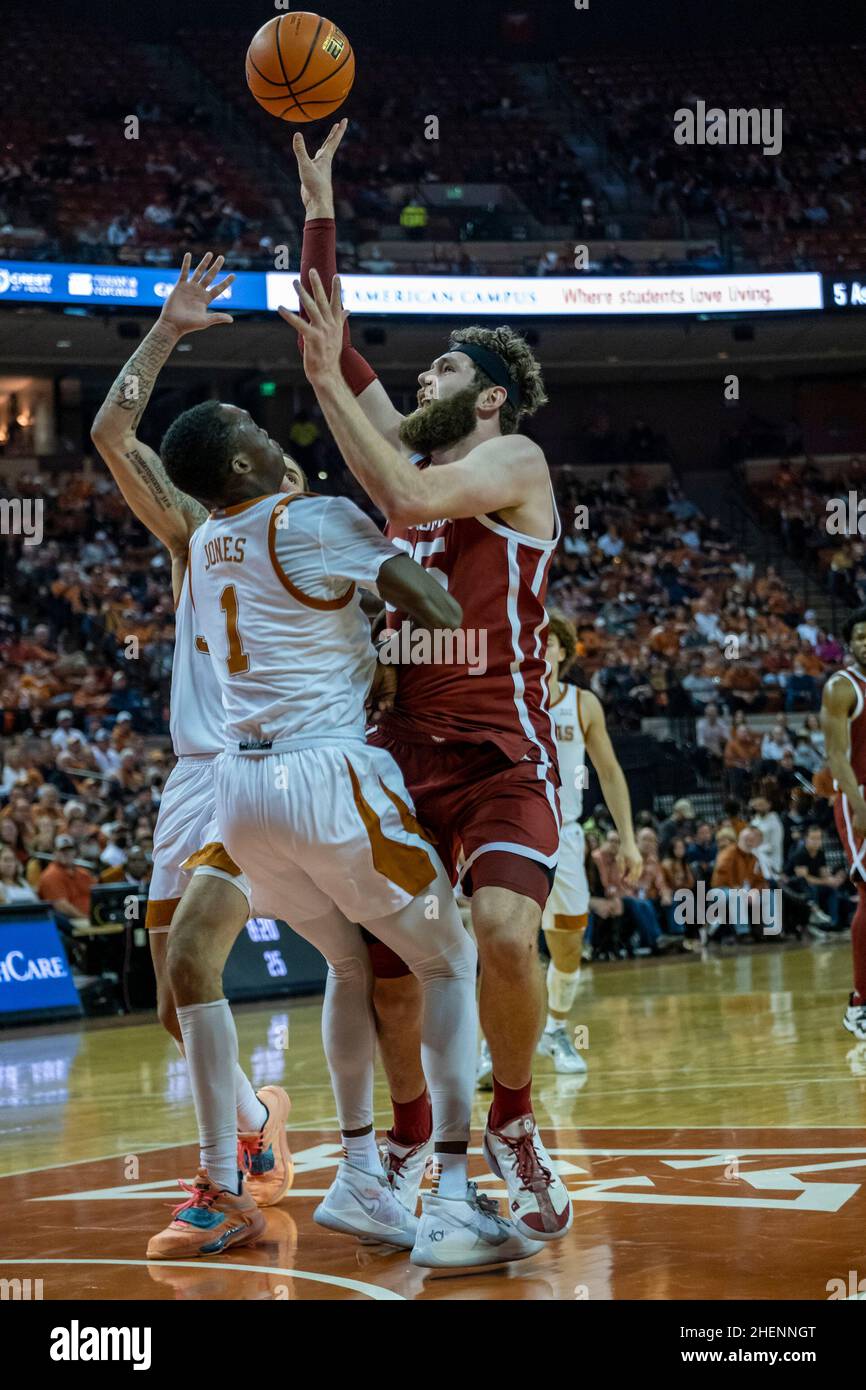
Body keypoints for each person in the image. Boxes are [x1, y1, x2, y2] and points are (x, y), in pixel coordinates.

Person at [161, 382, 539, 1271]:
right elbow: (437, 607)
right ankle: (451, 1192)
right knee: (449, 958)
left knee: (347, 961)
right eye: (255, 426)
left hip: (241, 792)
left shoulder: (209, 540)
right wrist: (401, 597)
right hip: (323, 772)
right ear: (246, 464)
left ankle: (362, 1172)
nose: (272, 431)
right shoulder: (316, 517)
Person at [282, 119, 573, 1241]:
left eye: (445, 366)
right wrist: (319, 202)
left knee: (502, 931)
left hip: (498, 749)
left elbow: (401, 492)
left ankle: (509, 1118)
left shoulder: (512, 464)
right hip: (395, 749)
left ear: (490, 396)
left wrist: (340, 397)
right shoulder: (407, 454)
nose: (423, 375)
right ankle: (404, 1141)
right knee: (388, 964)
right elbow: (330, 330)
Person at [91, 252, 296, 1257]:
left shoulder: (317, 545)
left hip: (269, 774)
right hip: (191, 781)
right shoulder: (194, 535)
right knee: (175, 1002)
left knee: (204, 960)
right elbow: (109, 433)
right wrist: (168, 329)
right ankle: (260, 1119)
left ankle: (226, 1185)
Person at [534, 612, 640, 1074]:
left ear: (562, 651)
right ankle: (491, 1048)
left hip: (567, 833)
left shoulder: (583, 704)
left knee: (568, 945)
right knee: (506, 944)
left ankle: (555, 1028)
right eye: (532, 641)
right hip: (514, 834)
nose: (540, 649)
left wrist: (630, 842)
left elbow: (610, 772)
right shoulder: (506, 699)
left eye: (549, 642)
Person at [820, 608, 866, 1039]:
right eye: (859, 636)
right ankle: (859, 1004)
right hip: (858, 796)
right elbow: (836, 757)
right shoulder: (841, 688)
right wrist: (858, 805)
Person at [37, 834, 94, 933]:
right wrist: (86, 918)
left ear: (75, 852)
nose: (66, 854)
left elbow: (97, 894)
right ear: (55, 853)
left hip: (92, 919)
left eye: (69, 850)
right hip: (71, 923)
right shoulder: (50, 875)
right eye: (62, 851)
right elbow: (61, 906)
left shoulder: (84, 874)